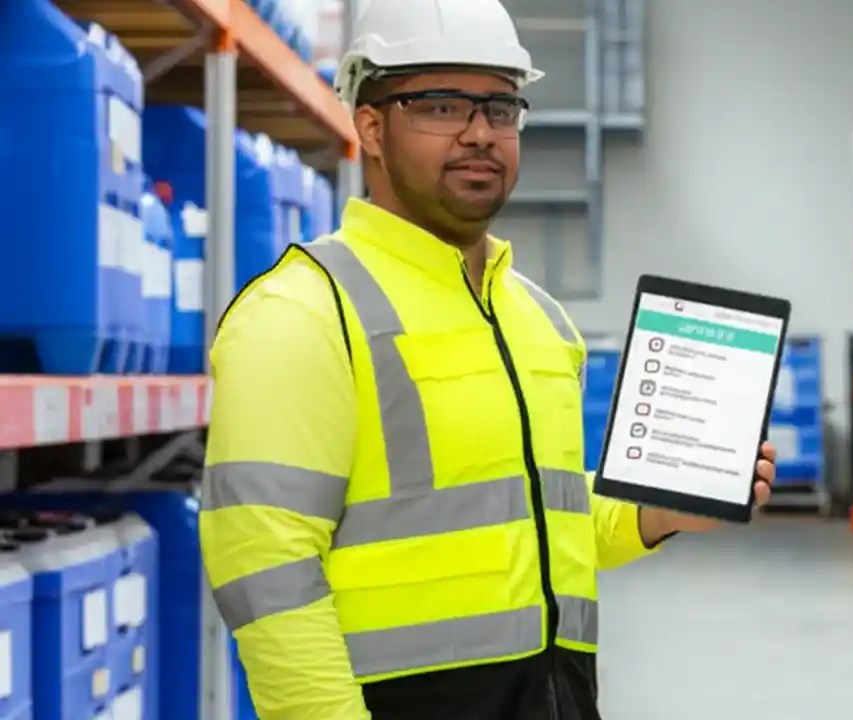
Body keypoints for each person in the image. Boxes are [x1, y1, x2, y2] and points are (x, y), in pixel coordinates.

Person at [198, 0, 777, 718]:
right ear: (371, 126)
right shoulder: (302, 314)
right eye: (441, 105)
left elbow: (545, 518)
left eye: (501, 108)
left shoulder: (538, 319)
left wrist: (653, 512)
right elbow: (264, 564)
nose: (480, 133)